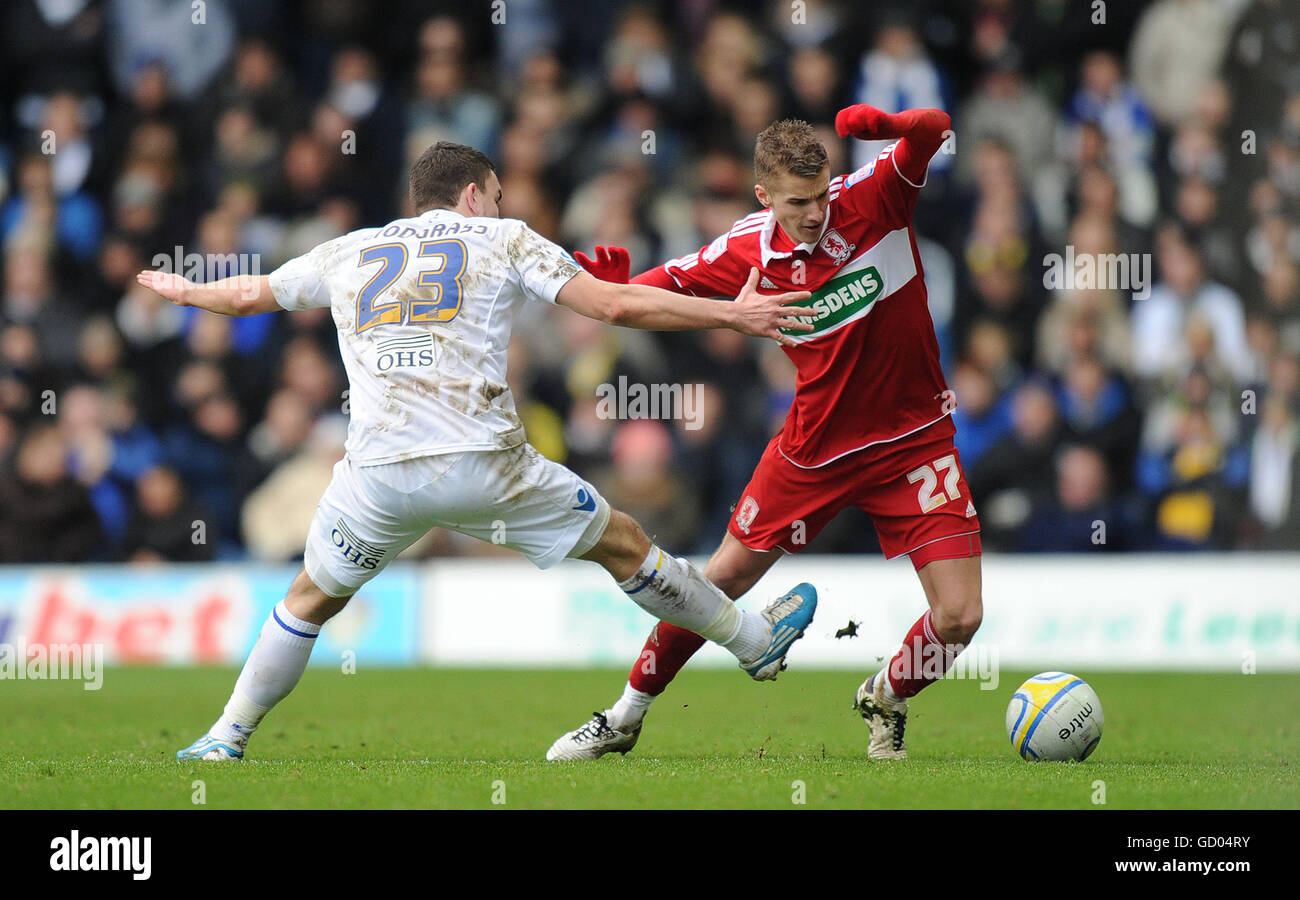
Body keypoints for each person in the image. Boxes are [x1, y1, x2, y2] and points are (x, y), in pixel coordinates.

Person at [136, 141, 819, 761]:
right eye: (495, 195)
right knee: (624, 545)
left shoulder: (349, 250)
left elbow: (251, 295)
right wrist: (733, 313)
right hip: (484, 461)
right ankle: (753, 643)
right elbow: (613, 308)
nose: (500, 207)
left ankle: (226, 737)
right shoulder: (503, 238)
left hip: (378, 476)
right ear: (473, 194)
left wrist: (189, 293)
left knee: (308, 599)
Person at [550, 105, 981, 761]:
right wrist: (605, 288)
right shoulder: (744, 250)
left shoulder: (877, 195)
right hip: (813, 453)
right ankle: (623, 716)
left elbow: (934, 131)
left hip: (914, 442)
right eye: (797, 202)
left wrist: (895, 124)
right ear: (764, 197)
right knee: (719, 580)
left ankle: (886, 695)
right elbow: (644, 299)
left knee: (960, 617)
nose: (815, 213)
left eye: (820, 196)